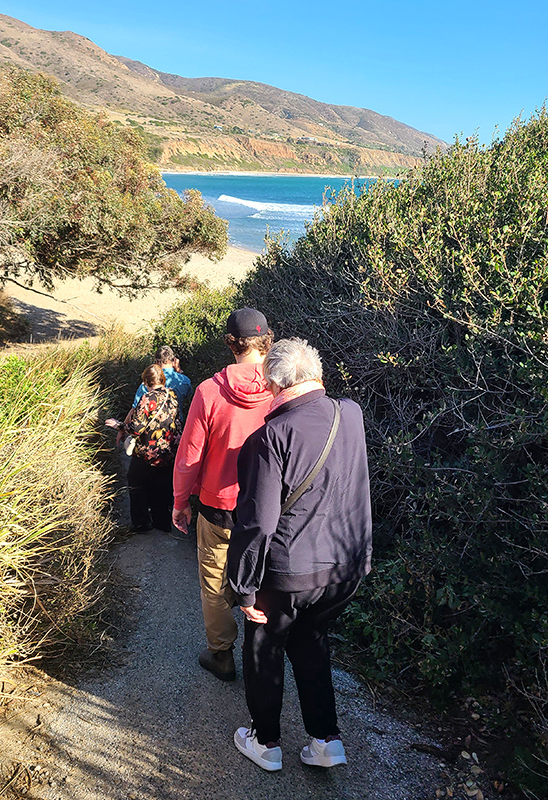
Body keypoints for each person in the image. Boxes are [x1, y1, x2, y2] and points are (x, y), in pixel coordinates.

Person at [227, 337, 372, 772]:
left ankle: (265, 742)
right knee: (311, 641)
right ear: (317, 375)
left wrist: (244, 588)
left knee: (264, 645)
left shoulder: (269, 437)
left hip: (289, 573)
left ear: (272, 384)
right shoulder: (351, 413)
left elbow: (258, 523)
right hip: (345, 567)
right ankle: (326, 740)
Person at [172, 308, 274, 682]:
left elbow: (189, 457)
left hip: (217, 508)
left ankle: (222, 655)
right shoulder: (282, 388)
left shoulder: (209, 391)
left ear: (231, 344)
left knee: (214, 584)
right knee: (259, 579)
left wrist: (180, 502)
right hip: (267, 508)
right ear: (268, 341)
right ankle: (261, 655)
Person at [106, 364, 181, 533]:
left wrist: (118, 425)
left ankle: (141, 523)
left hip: (147, 453)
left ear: (146, 381)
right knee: (162, 487)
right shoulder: (172, 395)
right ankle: (162, 522)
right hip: (167, 451)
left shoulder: (147, 398)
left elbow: (136, 429)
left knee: (136, 485)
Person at [132, 346, 191, 421]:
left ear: (157, 362)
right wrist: (179, 371)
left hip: (153, 427)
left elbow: (135, 408)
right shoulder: (184, 381)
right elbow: (188, 399)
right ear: (174, 361)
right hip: (175, 426)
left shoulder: (147, 383)